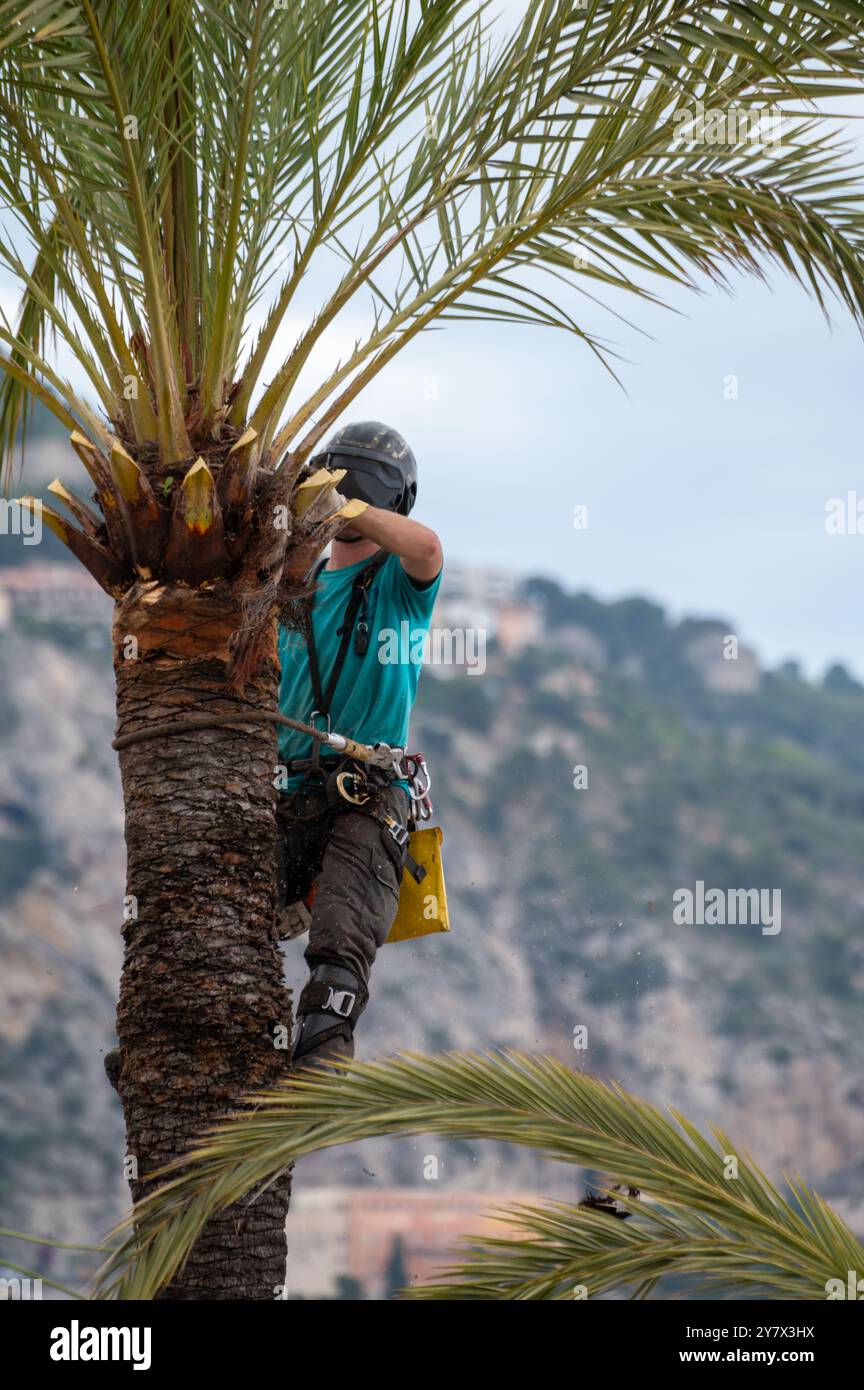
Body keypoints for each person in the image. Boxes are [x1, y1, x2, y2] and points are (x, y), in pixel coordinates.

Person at [275, 421, 443, 1071]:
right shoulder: (294, 585)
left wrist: (340, 505)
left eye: (357, 491)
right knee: (207, 918)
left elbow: (426, 545)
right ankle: (175, 1038)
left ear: (388, 503)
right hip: (288, 792)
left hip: (366, 797)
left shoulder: (401, 584)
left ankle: (320, 1064)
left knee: (340, 947)